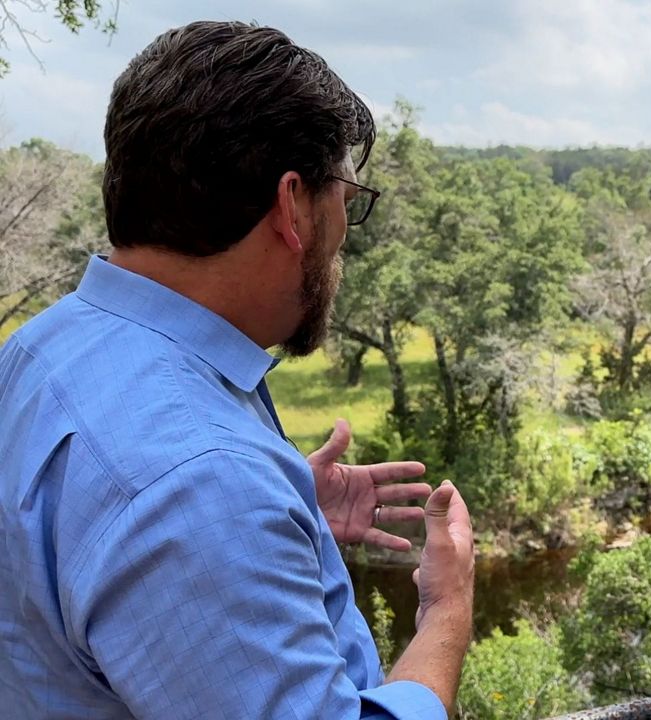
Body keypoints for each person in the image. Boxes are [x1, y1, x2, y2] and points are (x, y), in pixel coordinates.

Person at [0, 20, 474, 720]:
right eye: (345, 202)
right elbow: (182, 500)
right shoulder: (201, 485)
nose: (342, 238)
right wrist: (445, 613)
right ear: (292, 207)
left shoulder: (37, 350)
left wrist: (285, 520)